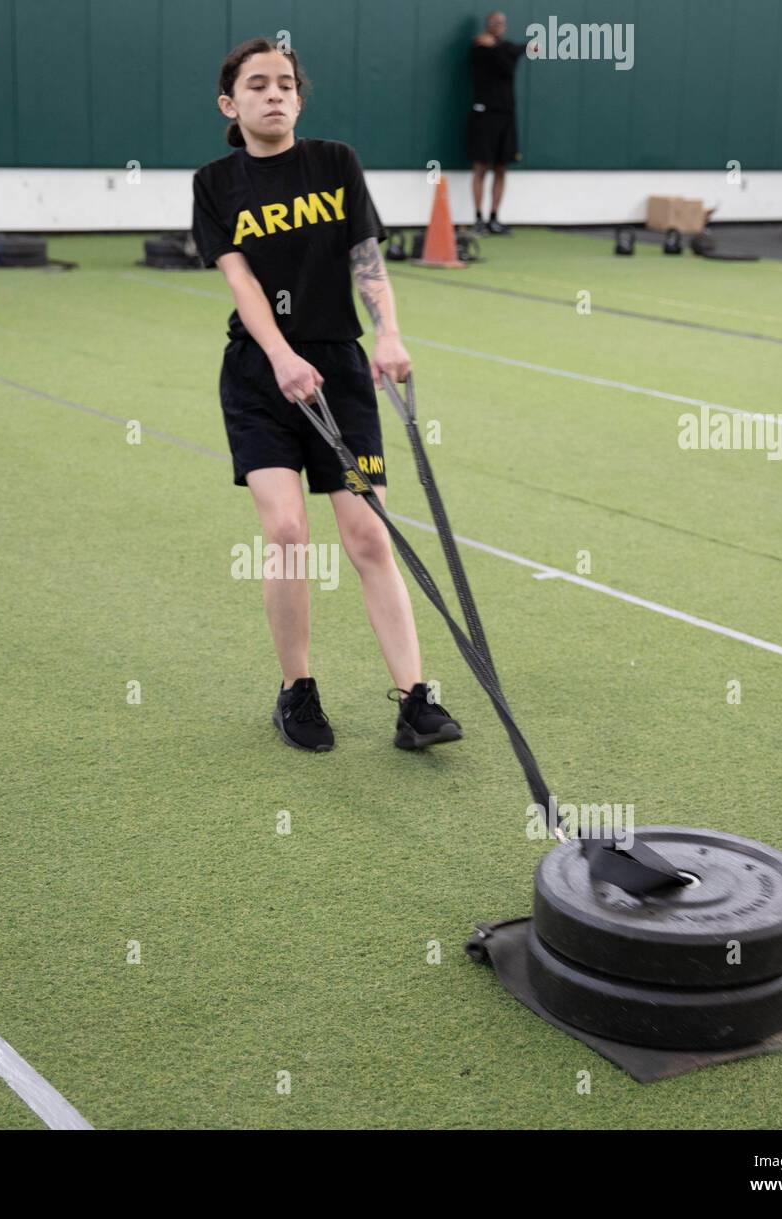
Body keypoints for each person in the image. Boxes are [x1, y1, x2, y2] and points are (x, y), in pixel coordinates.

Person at [191, 37, 463, 754]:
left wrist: (390, 335)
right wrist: (280, 355)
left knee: (370, 533)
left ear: (299, 99)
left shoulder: (335, 163)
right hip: (259, 374)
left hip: (339, 373)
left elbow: (365, 258)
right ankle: (297, 689)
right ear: (232, 103)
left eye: (285, 84)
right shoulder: (215, 183)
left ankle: (415, 700)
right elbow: (241, 282)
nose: (274, 94)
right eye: (257, 85)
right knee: (285, 535)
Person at [468, 11, 529, 236]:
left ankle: (494, 217)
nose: (498, 26)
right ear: (488, 26)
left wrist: (497, 47)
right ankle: (478, 219)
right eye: (494, 23)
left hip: (506, 115)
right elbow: (502, 55)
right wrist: (493, 47)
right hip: (484, 114)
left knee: (502, 168)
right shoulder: (478, 49)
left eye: (501, 23)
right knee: (481, 167)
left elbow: (519, 52)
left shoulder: (505, 50)